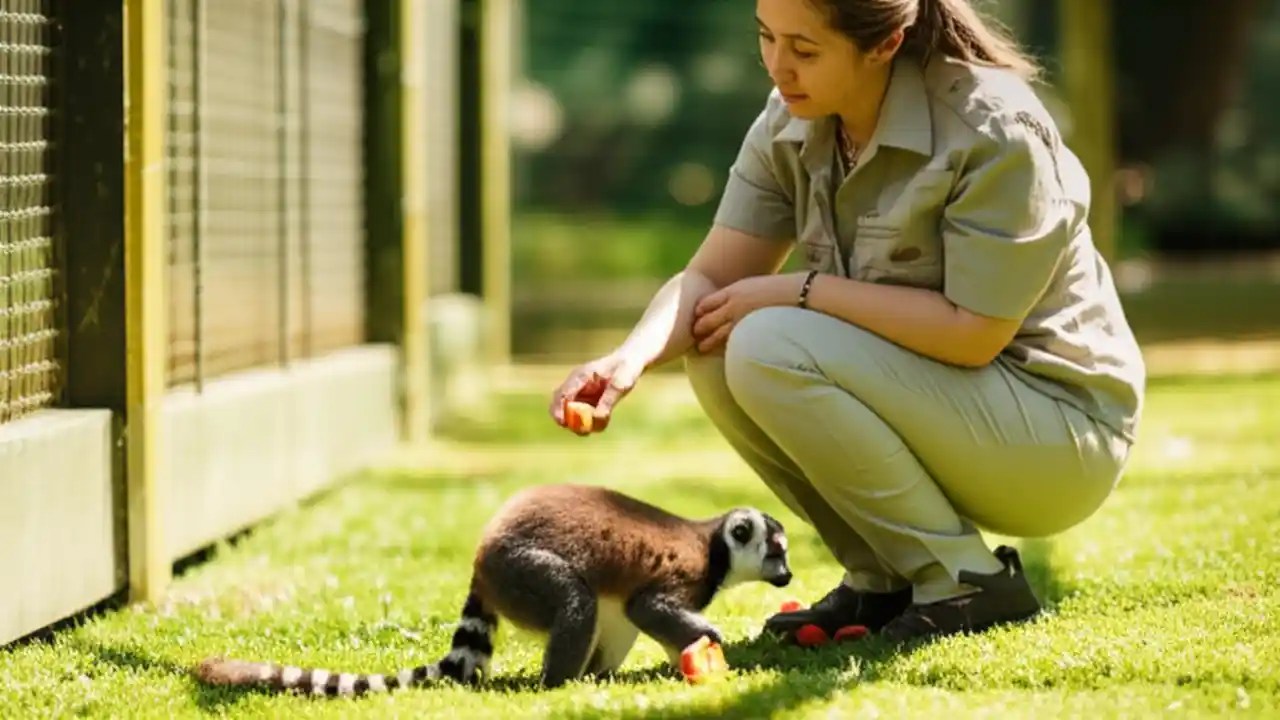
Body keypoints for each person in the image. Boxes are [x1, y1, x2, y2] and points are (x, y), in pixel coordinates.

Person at [548, 0, 1144, 644]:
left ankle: (966, 580)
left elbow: (975, 333)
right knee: (719, 340)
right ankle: (882, 580)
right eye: (766, 38)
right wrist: (626, 360)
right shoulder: (791, 117)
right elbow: (711, 281)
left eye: (804, 50)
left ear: (886, 43)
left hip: (1057, 437)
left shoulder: (993, 128)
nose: (779, 67)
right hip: (957, 411)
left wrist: (800, 289)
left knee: (764, 339)